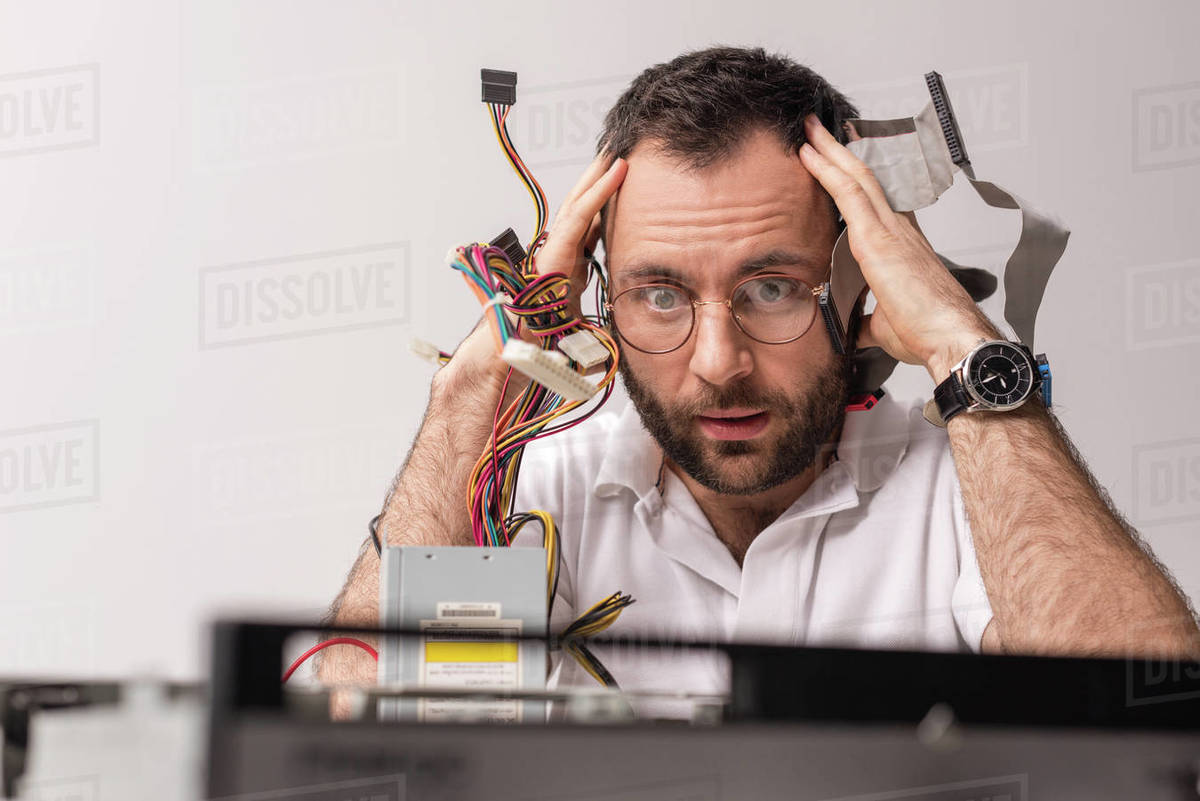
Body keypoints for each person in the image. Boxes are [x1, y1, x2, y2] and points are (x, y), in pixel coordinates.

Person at [318, 47, 1198, 701]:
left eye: (772, 288)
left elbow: (1155, 730)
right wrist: (474, 392)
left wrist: (960, 344)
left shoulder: (973, 495)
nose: (717, 363)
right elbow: (341, 741)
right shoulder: (527, 499)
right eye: (659, 295)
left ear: (859, 283)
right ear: (598, 302)